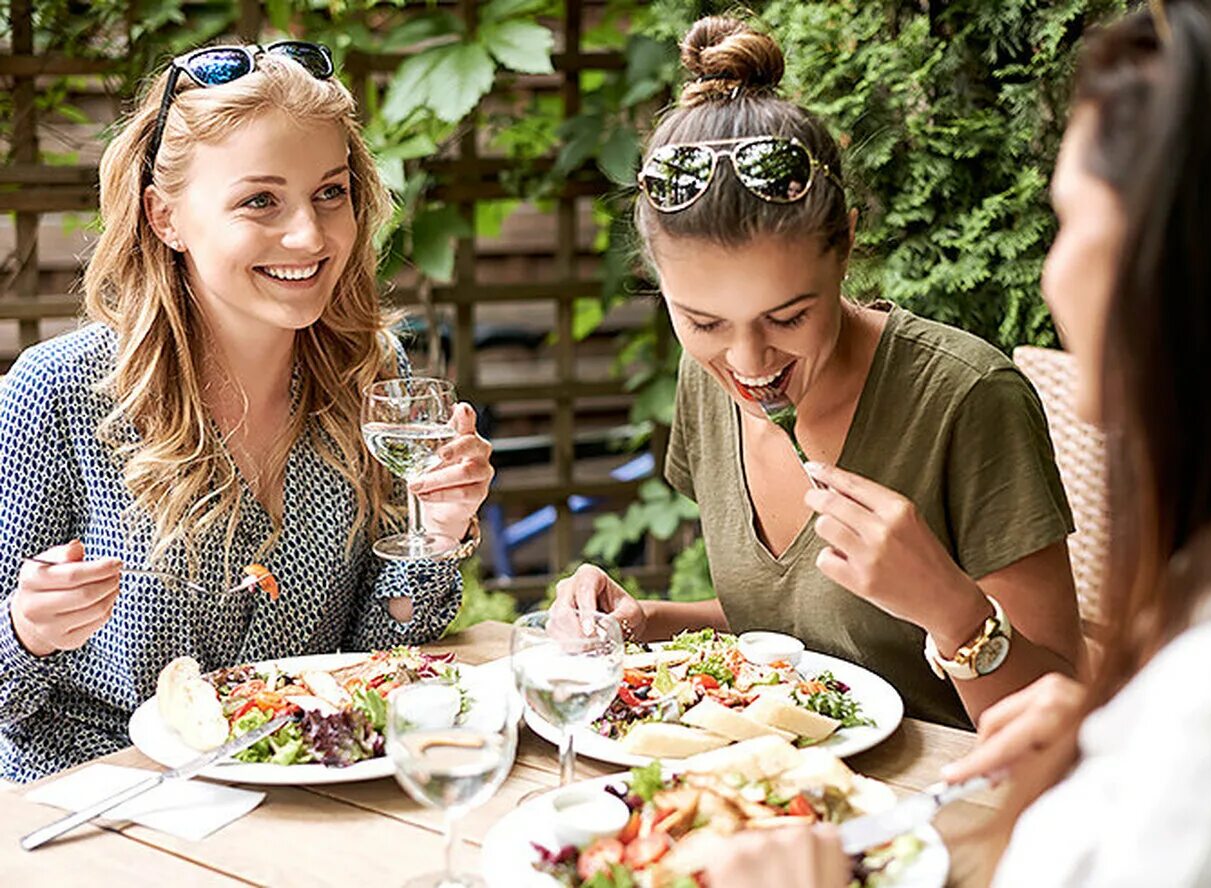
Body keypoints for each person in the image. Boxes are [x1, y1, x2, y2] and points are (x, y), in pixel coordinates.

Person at [698, 1, 1211, 885]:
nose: (1050, 269)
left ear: (1197, 272)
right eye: (703, 321)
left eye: (1072, 219)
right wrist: (1101, 750)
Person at [553, 17, 1085, 729]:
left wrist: (949, 608)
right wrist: (646, 621)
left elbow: (1067, 721)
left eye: (788, 316)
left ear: (847, 247)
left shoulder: (968, 398)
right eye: (705, 323)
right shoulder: (702, 382)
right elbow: (797, 630)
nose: (748, 363)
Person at [0, 43, 494, 783]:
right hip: (102, 804)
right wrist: (26, 631)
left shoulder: (369, 379)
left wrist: (440, 532)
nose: (309, 235)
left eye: (330, 192)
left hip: (298, 795)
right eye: (260, 201)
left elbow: (371, 660)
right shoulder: (59, 394)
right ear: (164, 216)